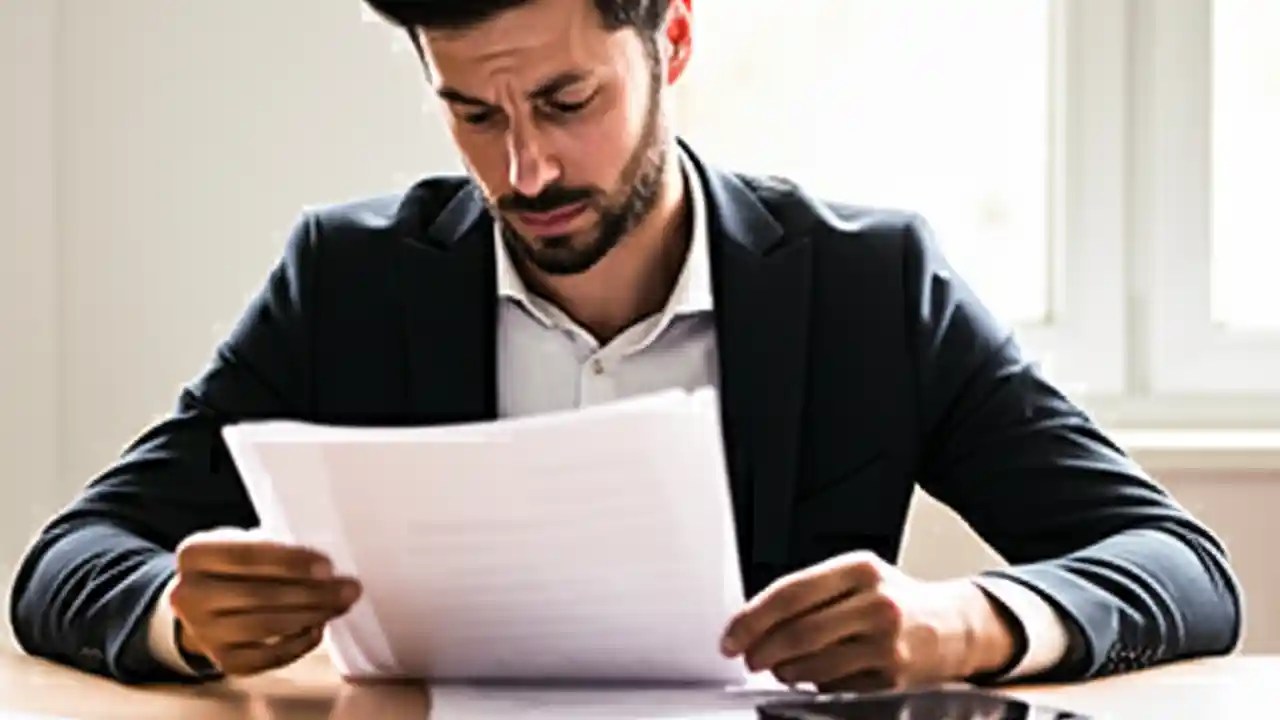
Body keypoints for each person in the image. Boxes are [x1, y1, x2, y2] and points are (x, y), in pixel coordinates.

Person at [9, 0, 1241, 691]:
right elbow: (66, 560)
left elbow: (1178, 567)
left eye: (565, 103)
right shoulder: (348, 281)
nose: (521, 169)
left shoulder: (870, 285)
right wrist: (180, 617)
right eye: (470, 113)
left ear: (674, 43)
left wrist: (957, 625)